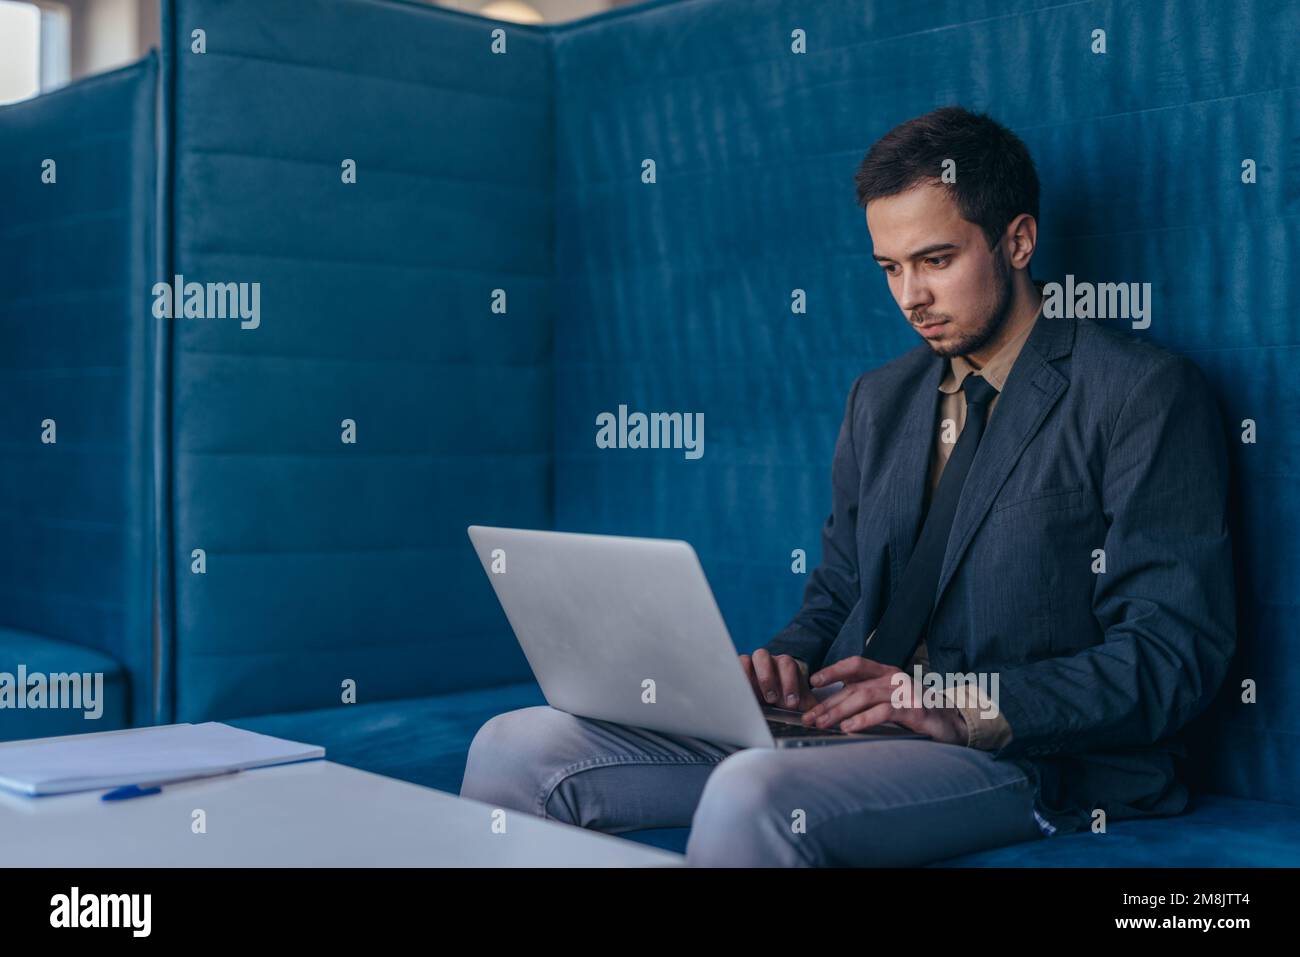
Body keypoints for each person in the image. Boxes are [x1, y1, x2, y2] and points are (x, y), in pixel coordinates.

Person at [460, 106, 1236, 866]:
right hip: (842, 722)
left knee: (753, 795)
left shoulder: (1141, 392)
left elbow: (1172, 654)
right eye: (890, 268)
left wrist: (958, 705)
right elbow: (839, 589)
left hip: (1023, 754)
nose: (911, 297)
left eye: (936, 260)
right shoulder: (882, 398)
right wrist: (784, 663)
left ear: (1018, 240)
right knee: (517, 746)